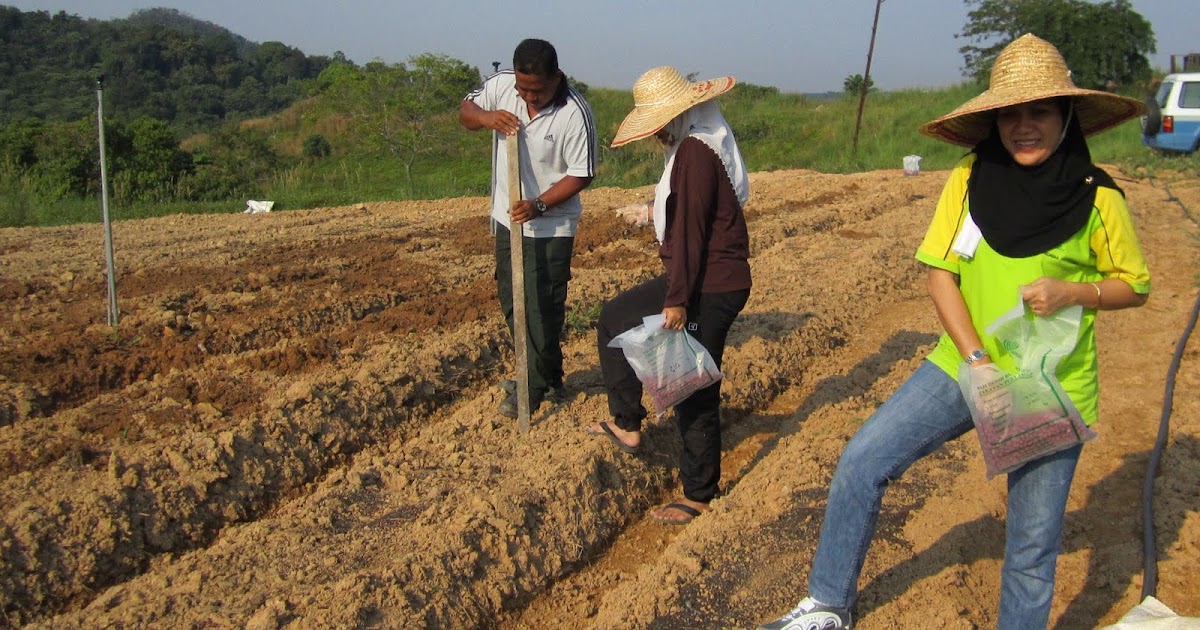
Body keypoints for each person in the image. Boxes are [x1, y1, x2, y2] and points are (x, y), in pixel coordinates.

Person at [758, 34, 1150, 630]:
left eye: (1040, 111)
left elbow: (1135, 285)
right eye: (1010, 114)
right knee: (863, 459)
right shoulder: (970, 178)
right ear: (993, 122)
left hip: (1048, 386)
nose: (1024, 127)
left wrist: (1076, 292)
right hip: (962, 365)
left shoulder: (1099, 198)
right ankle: (827, 604)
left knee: (1031, 546)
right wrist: (976, 360)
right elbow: (940, 273)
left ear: (1066, 117)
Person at [584, 66, 752, 526]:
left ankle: (699, 494)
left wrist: (677, 299)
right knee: (615, 316)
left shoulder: (695, 152)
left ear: (677, 114)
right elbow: (689, 213)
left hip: (709, 283)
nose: (657, 134)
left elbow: (690, 232)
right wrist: (651, 213)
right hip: (703, 276)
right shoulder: (696, 144)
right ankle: (626, 423)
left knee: (693, 388)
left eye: (658, 124)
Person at [459, 38, 597, 418]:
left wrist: (539, 204)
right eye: (523, 89)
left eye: (537, 90)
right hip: (508, 218)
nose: (528, 96)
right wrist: (487, 118)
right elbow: (466, 110)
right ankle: (546, 378)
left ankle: (532, 387)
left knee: (542, 308)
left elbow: (582, 173)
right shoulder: (503, 85)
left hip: (551, 224)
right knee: (512, 300)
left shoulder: (575, 112)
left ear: (556, 77)